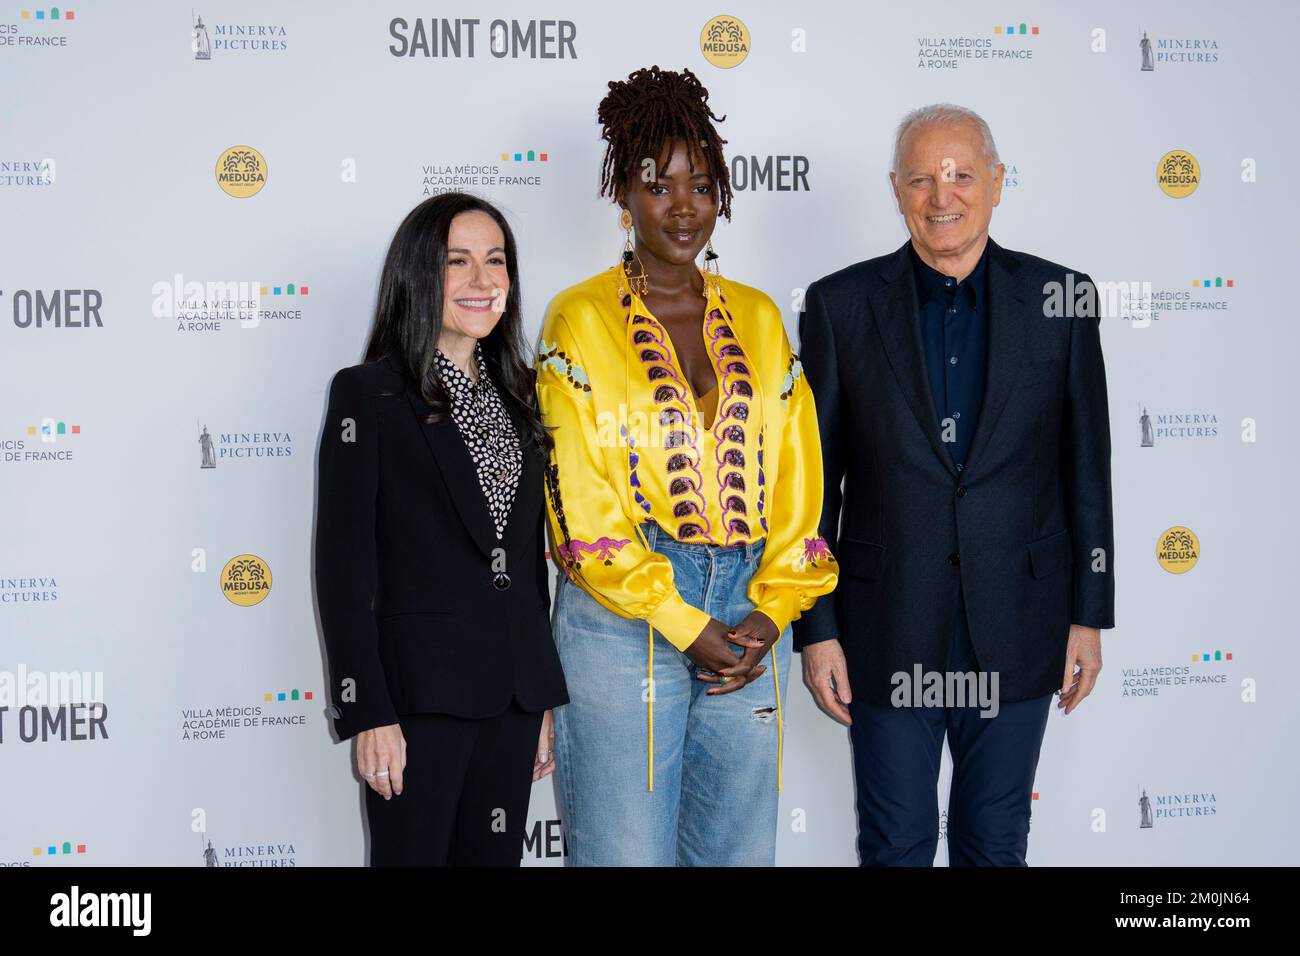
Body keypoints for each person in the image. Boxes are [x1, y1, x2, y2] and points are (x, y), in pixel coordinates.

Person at [796, 104, 1114, 866]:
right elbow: (813, 486)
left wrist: (1088, 615)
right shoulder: (839, 306)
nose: (943, 196)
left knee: (996, 843)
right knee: (895, 845)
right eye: (921, 179)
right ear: (897, 191)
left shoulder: (1061, 299)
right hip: (885, 627)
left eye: (961, 175)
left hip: (1020, 621)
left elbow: (1088, 468)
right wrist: (817, 627)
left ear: (997, 183)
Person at [537, 66, 837, 866]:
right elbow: (582, 513)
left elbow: (798, 474)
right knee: (624, 855)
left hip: (745, 615)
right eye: (657, 185)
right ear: (623, 196)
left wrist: (773, 612)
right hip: (621, 619)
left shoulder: (761, 317)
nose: (682, 207)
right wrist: (683, 623)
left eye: (701, 187)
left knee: (738, 854)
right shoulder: (579, 317)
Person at [315, 192, 568, 866]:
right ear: (419, 274)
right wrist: (367, 709)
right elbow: (344, 569)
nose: (485, 282)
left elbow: (524, 562)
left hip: (511, 701)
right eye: (459, 262)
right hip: (415, 703)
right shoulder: (368, 394)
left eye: (497, 260)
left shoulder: (522, 395)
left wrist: (539, 697)